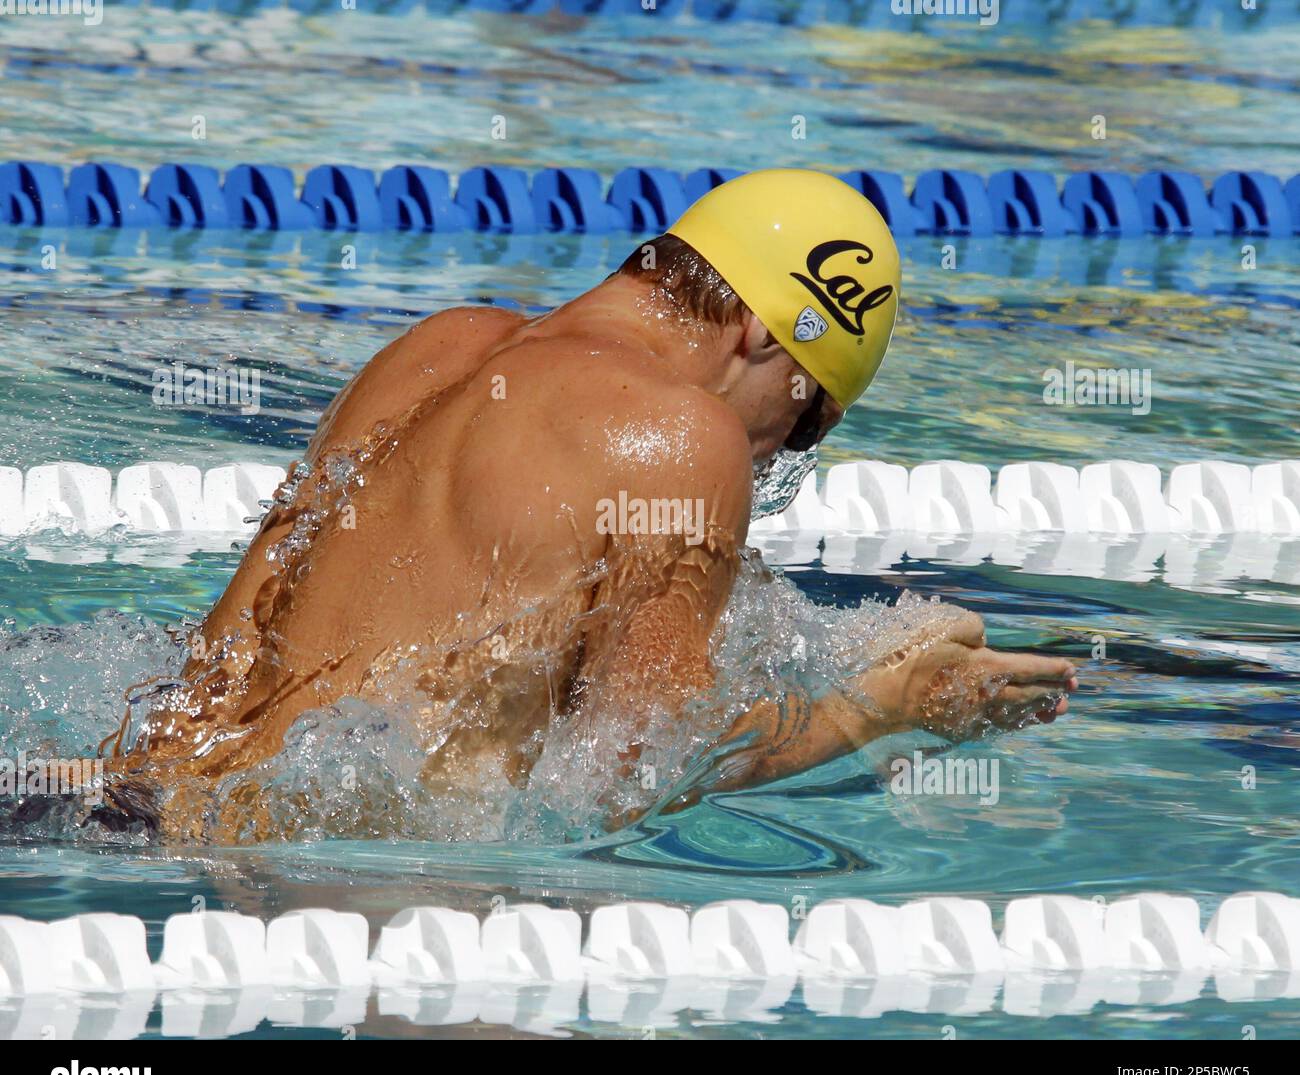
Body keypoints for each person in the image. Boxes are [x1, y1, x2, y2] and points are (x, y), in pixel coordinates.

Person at [98, 168, 1076, 841]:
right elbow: (629, 775)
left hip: (134, 811)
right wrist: (882, 706)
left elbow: (220, 657)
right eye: (805, 418)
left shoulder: (437, 347)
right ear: (762, 337)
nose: (776, 448)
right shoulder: (682, 433)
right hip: (334, 893)